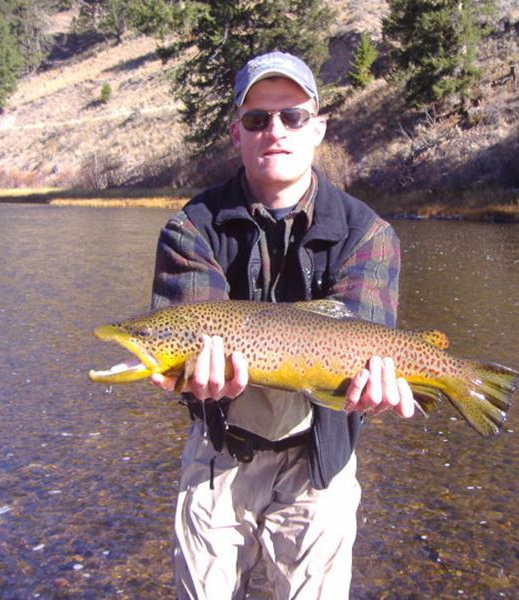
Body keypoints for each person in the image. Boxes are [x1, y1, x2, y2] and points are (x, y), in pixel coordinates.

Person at [150, 51, 415, 599]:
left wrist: (371, 387)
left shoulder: (368, 233)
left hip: (319, 457)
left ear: (317, 128)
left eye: (292, 116)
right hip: (219, 452)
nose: (275, 130)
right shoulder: (190, 228)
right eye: (257, 118)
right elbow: (195, 328)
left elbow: (363, 343)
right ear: (236, 133)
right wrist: (193, 375)